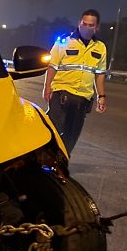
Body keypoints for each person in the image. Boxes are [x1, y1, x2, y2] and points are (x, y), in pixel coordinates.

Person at [42, 9, 107, 154]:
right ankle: (45, 160)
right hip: (61, 93)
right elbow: (52, 66)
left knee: (71, 137)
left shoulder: (100, 47)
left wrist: (101, 96)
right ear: (79, 23)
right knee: (54, 131)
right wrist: (47, 87)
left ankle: (62, 162)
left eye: (91, 25)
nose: (87, 27)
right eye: (84, 24)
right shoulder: (64, 41)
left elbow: (100, 74)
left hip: (83, 98)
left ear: (97, 27)